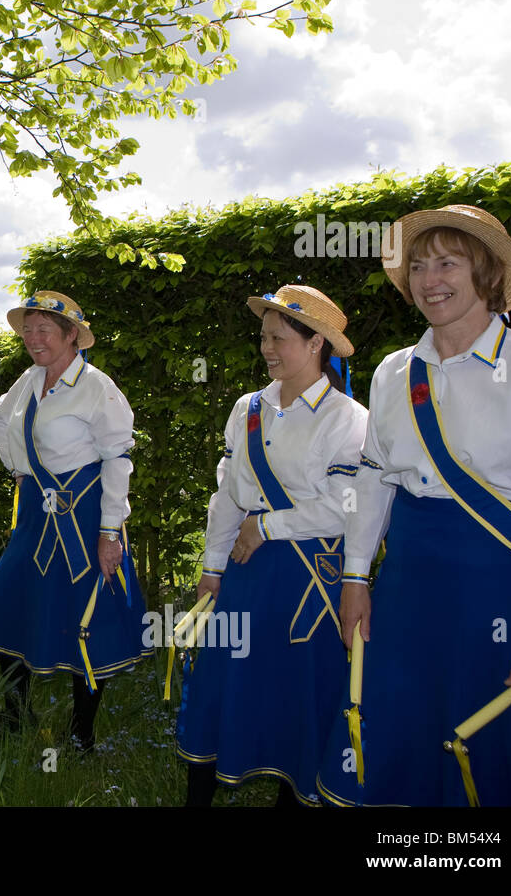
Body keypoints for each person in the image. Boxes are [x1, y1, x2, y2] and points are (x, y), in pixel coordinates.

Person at [317, 204, 511, 806]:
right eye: (417, 265)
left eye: (448, 262)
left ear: (487, 272)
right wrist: (354, 576)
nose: (429, 279)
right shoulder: (395, 370)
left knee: (500, 739)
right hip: (410, 579)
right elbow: (373, 480)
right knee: (402, 721)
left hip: (501, 581)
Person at [175, 285, 367, 806]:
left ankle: (293, 793)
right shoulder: (247, 408)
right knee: (221, 681)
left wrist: (267, 527)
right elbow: (228, 494)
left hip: (307, 583)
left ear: (316, 345)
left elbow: (346, 507)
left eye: (279, 338)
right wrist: (212, 567)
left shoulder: (347, 418)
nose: (268, 348)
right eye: (263, 337)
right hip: (245, 572)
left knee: (295, 695)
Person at [0, 291, 150, 753]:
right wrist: (20, 468)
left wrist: (109, 532)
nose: (33, 337)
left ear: (72, 337)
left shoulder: (98, 388)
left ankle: (82, 732)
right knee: (13, 604)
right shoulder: (28, 380)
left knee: (88, 619)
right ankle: (15, 712)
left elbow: (118, 461)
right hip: (34, 515)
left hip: (86, 517)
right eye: (28, 329)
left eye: (44, 329)